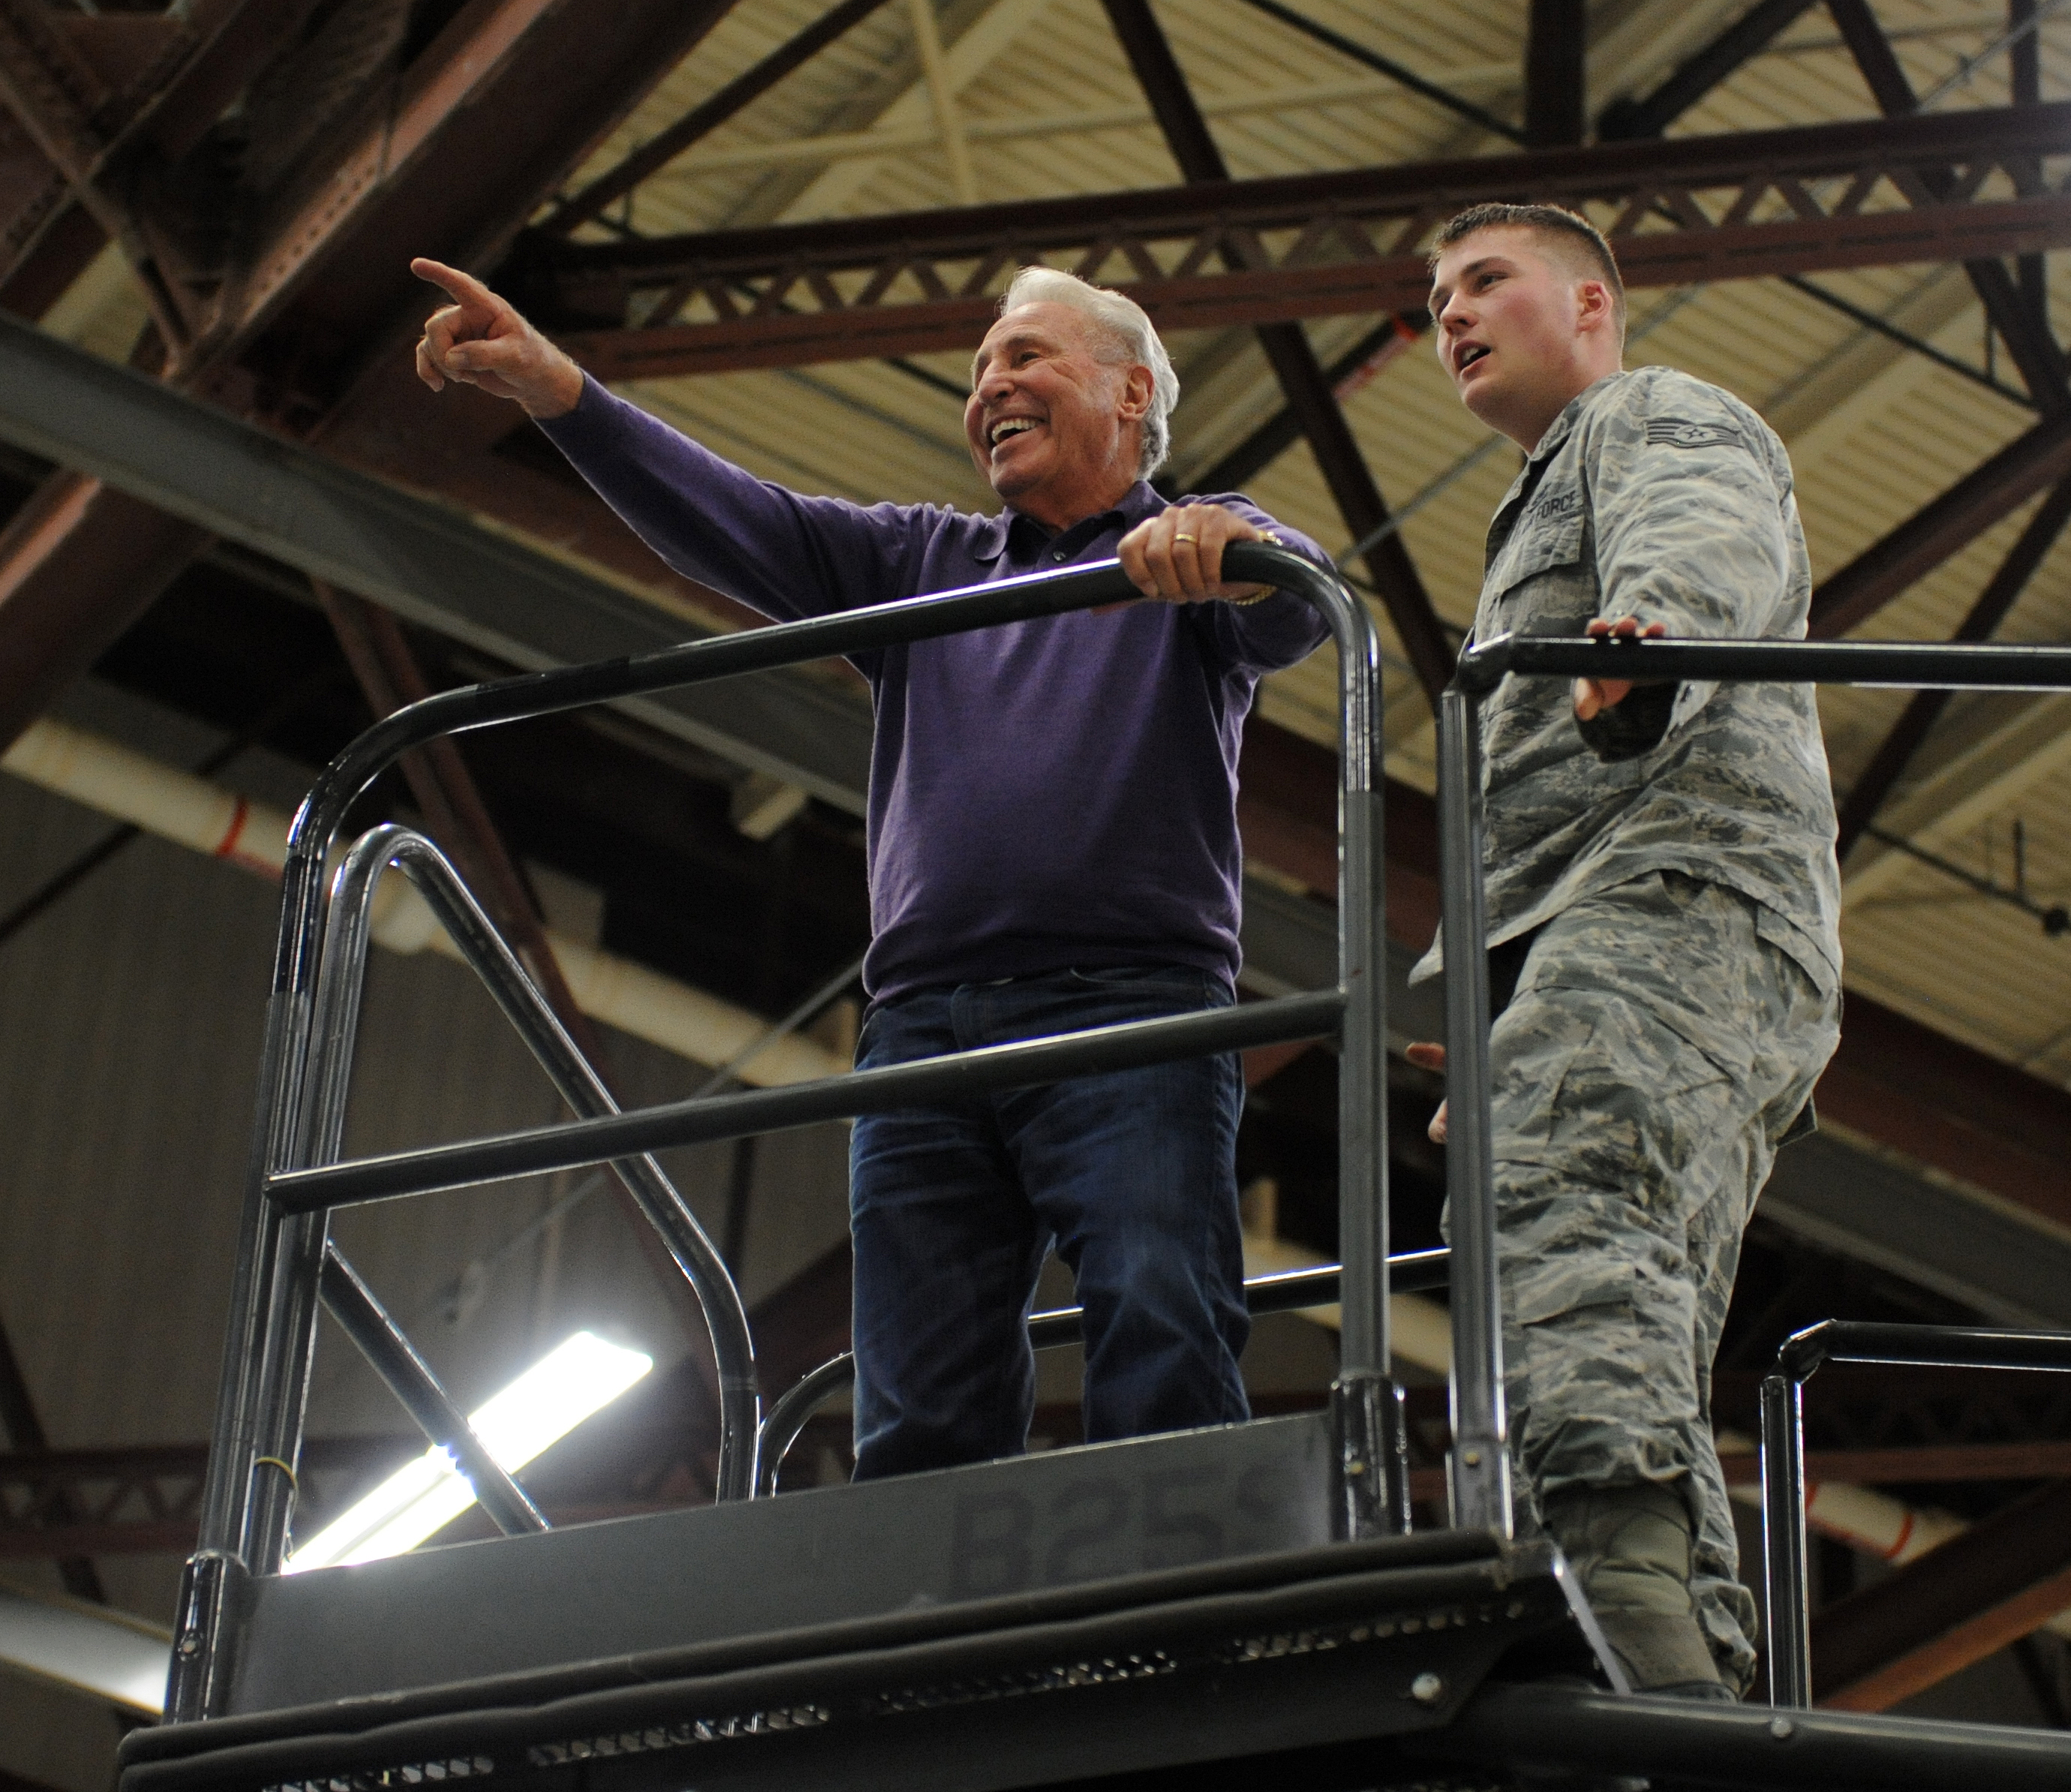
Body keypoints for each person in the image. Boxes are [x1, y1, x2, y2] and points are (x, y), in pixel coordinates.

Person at [410, 257, 1331, 1482]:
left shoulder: (1179, 554)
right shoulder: (923, 563)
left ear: (1128, 396)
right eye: (982, 369)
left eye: (1026, 357)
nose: (991, 385)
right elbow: (736, 519)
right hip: (921, 1033)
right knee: (918, 1395)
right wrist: (557, 392)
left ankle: (1175, 1629)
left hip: (1130, 1008)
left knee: (1163, 1326)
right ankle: (931, 1659)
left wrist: (1238, 545)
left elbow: (1294, 610)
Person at [1413, 203, 1842, 1700]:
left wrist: (1645, 641)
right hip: (1632, 921)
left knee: (1566, 1194)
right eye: (1438, 295)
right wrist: (1502, 999)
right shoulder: (1529, 502)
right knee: (1623, 1268)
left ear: (1589, 302)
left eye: (1486, 281)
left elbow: (1705, 528)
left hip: (1682, 888)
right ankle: (1681, 1661)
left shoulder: (1653, 414)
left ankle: (1620, 1599)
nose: (1451, 312)